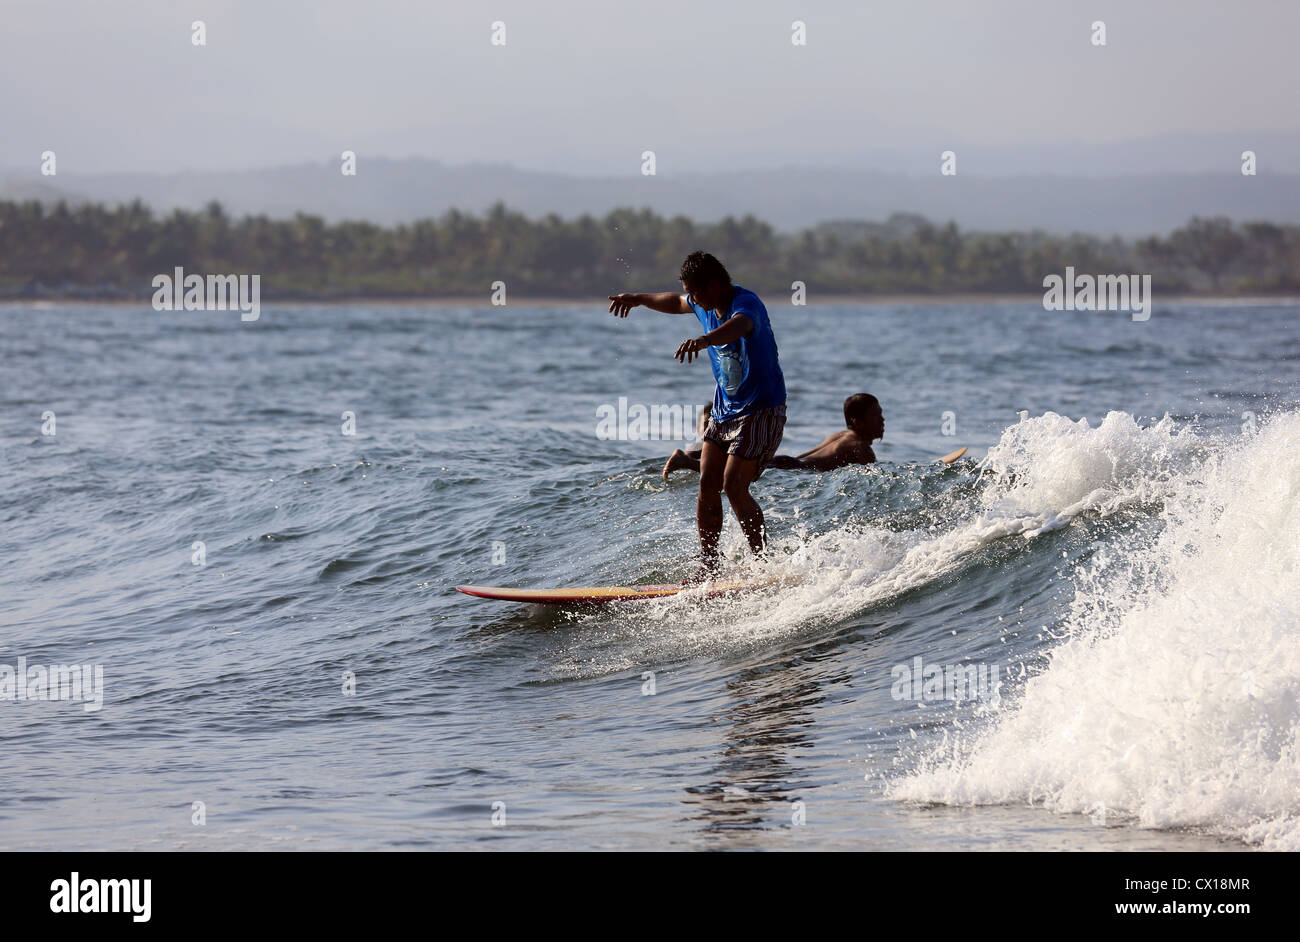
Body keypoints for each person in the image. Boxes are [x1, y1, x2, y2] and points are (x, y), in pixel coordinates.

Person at [609, 252, 786, 578]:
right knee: (707, 482)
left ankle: (763, 563)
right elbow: (675, 302)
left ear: (715, 285)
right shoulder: (701, 302)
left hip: (761, 409)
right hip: (724, 410)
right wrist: (638, 299)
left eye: (697, 292)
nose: (693, 299)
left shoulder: (746, 304)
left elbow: (740, 326)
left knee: (734, 486)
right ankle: (709, 564)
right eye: (691, 292)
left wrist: (705, 340)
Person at [664, 393, 885, 475]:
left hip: (789, 464)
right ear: (857, 422)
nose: (883, 421)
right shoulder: (861, 448)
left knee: (736, 467)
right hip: (793, 470)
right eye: (877, 416)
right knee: (737, 475)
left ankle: (694, 457)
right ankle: (689, 462)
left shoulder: (840, 436)